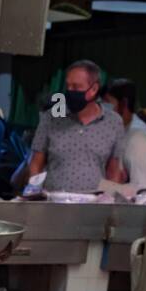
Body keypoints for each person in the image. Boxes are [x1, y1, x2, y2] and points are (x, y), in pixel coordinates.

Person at [27, 60, 126, 193]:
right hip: (53, 205)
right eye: (68, 86)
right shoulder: (51, 117)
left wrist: (108, 203)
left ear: (94, 89)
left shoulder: (113, 122)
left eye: (76, 87)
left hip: (92, 208)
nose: (70, 91)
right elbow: (36, 163)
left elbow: (113, 172)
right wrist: (34, 193)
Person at [107, 78, 146, 190]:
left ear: (124, 103)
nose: (104, 110)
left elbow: (141, 187)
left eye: (109, 104)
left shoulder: (138, 137)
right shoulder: (119, 128)